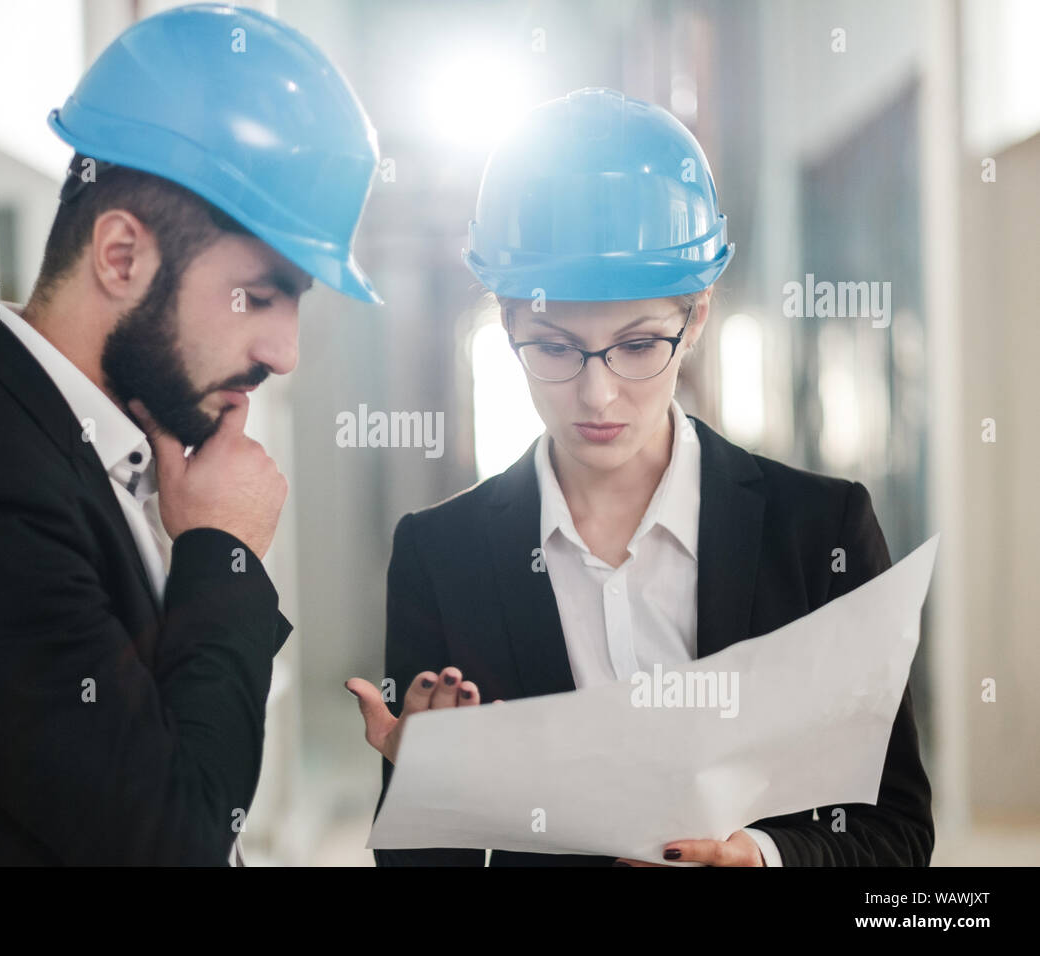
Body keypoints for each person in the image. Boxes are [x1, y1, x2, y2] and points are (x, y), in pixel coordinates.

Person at [0, 4, 380, 865]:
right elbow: (178, 843)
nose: (284, 352)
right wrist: (224, 552)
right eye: (258, 296)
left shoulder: (95, 456)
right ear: (121, 256)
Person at [347, 87, 933, 866]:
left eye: (636, 345)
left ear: (697, 317)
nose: (597, 395)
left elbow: (895, 832)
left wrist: (762, 858)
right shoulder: (440, 554)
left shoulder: (820, 532)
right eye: (554, 347)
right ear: (507, 319)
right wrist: (437, 790)